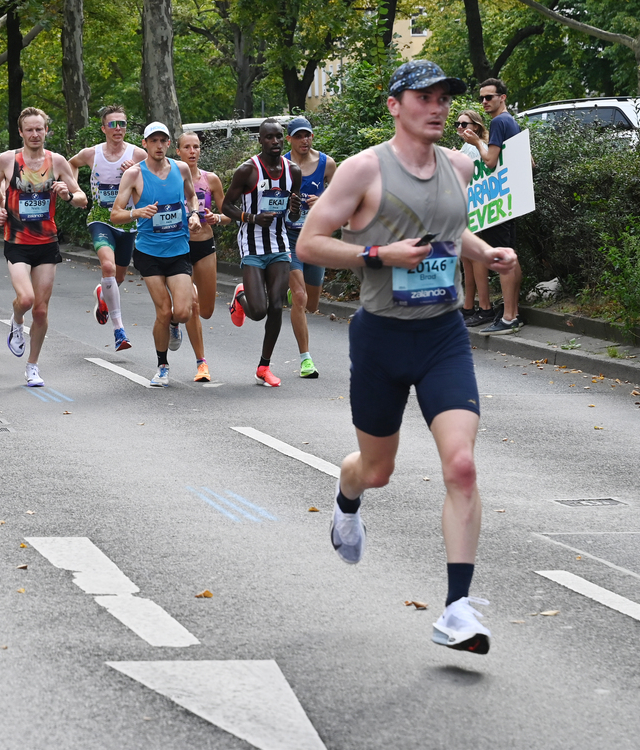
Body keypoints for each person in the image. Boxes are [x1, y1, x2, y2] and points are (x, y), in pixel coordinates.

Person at [297, 59, 519, 655]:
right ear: (395, 104)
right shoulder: (364, 169)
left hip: (443, 335)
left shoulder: (460, 163)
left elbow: (449, 235)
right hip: (382, 338)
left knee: (463, 467)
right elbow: (310, 243)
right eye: (424, 97)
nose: (439, 106)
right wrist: (377, 256)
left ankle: (457, 609)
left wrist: (486, 251)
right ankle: (347, 499)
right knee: (378, 471)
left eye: (445, 96)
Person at [0, 106, 87, 387]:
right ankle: (17, 320)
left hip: (46, 241)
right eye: (29, 129)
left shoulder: (57, 161)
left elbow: (82, 198)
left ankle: (32, 366)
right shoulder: (8, 160)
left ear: (46, 131)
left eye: (39, 129)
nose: (34, 133)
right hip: (17, 241)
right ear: (21, 132)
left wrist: (68, 194)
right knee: (27, 300)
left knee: (41, 310)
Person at [109, 122, 201, 386]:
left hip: (178, 249)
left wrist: (193, 214)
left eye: (163, 141)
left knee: (182, 312)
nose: (159, 145)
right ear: (145, 144)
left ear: (169, 144)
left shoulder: (181, 169)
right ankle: (162, 366)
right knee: (163, 310)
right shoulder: (135, 175)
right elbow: (116, 214)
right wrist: (137, 212)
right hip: (149, 252)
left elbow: (192, 198)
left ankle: (174, 324)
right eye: (154, 141)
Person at [223, 119, 302, 387]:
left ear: (285, 139)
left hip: (280, 245)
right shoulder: (247, 170)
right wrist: (252, 217)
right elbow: (225, 205)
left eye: (279, 137)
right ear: (261, 140)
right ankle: (240, 295)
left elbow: (293, 214)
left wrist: (294, 209)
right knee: (258, 311)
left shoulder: (294, 171)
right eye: (269, 137)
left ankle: (264, 367)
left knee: (277, 305)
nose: (275, 142)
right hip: (252, 244)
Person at [69, 105, 147, 352]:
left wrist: (135, 173)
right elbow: (70, 165)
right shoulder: (92, 154)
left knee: (119, 276)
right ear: (103, 128)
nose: (118, 129)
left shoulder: (138, 155)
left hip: (127, 221)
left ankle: (103, 293)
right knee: (108, 267)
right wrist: (76, 191)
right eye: (112, 124)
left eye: (122, 124)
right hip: (101, 218)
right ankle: (119, 330)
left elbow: (154, 178)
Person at [283, 117, 336, 379]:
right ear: (289, 139)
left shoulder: (327, 163)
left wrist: (323, 200)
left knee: (312, 304)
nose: (305, 140)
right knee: (301, 297)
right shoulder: (281, 165)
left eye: (309, 135)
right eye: (299, 135)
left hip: (315, 238)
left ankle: (295, 296)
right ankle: (306, 360)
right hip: (289, 237)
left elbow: (340, 195)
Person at [176, 131, 230, 382]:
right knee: (192, 305)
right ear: (177, 151)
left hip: (205, 244)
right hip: (178, 248)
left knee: (207, 310)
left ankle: (238, 296)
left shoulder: (211, 180)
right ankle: (202, 363)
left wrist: (215, 218)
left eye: (196, 147)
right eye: (186, 147)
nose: (192, 151)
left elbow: (229, 213)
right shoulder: (169, 178)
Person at [475, 77, 524, 335]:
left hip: (499, 200)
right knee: (512, 257)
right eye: (481, 97)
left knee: (504, 258)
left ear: (502, 97)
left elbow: (490, 161)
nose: (484, 102)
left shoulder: (497, 122)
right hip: (511, 199)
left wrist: (476, 143)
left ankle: (508, 317)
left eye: (489, 97)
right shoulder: (511, 121)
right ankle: (513, 313)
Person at [455, 110, 494, 327]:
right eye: (457, 124)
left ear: (476, 126)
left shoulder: (474, 147)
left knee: (472, 258)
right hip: (469, 206)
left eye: (464, 123)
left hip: (473, 208)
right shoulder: (470, 147)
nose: (459, 127)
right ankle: (469, 306)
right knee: (467, 259)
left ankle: (483, 307)